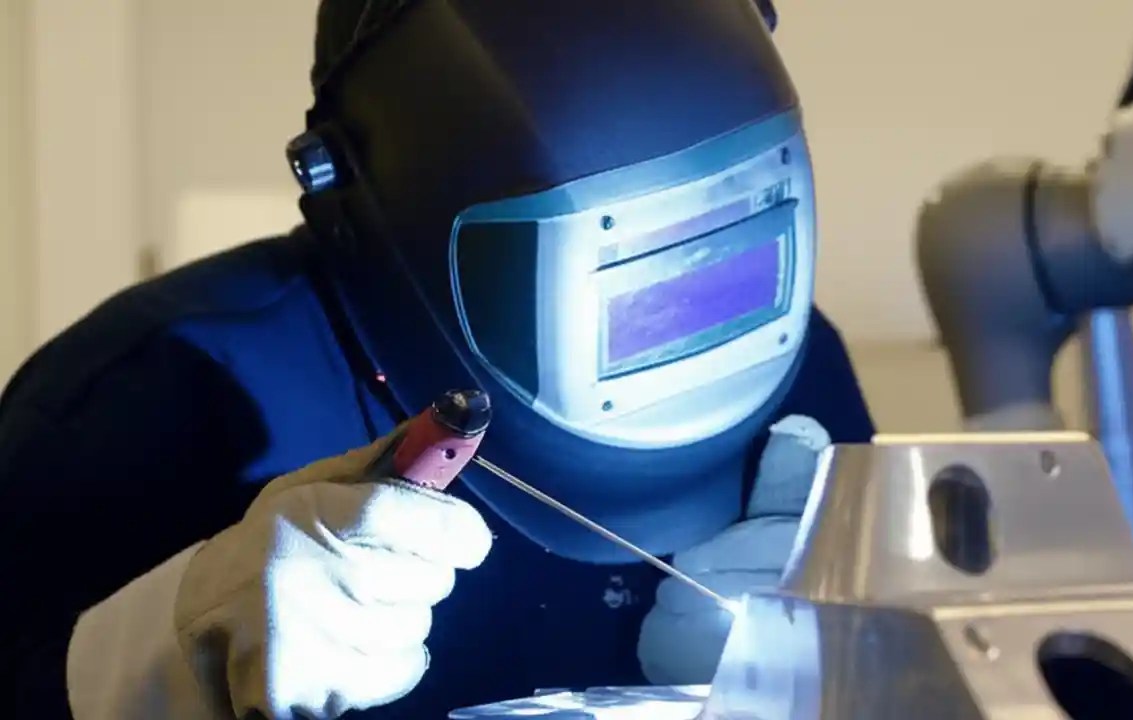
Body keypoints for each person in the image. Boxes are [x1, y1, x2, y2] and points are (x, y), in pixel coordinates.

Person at [1, 1, 875, 718]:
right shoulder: (149, 398)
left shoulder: (806, 376)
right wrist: (147, 669)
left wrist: (842, 686)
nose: (689, 327)